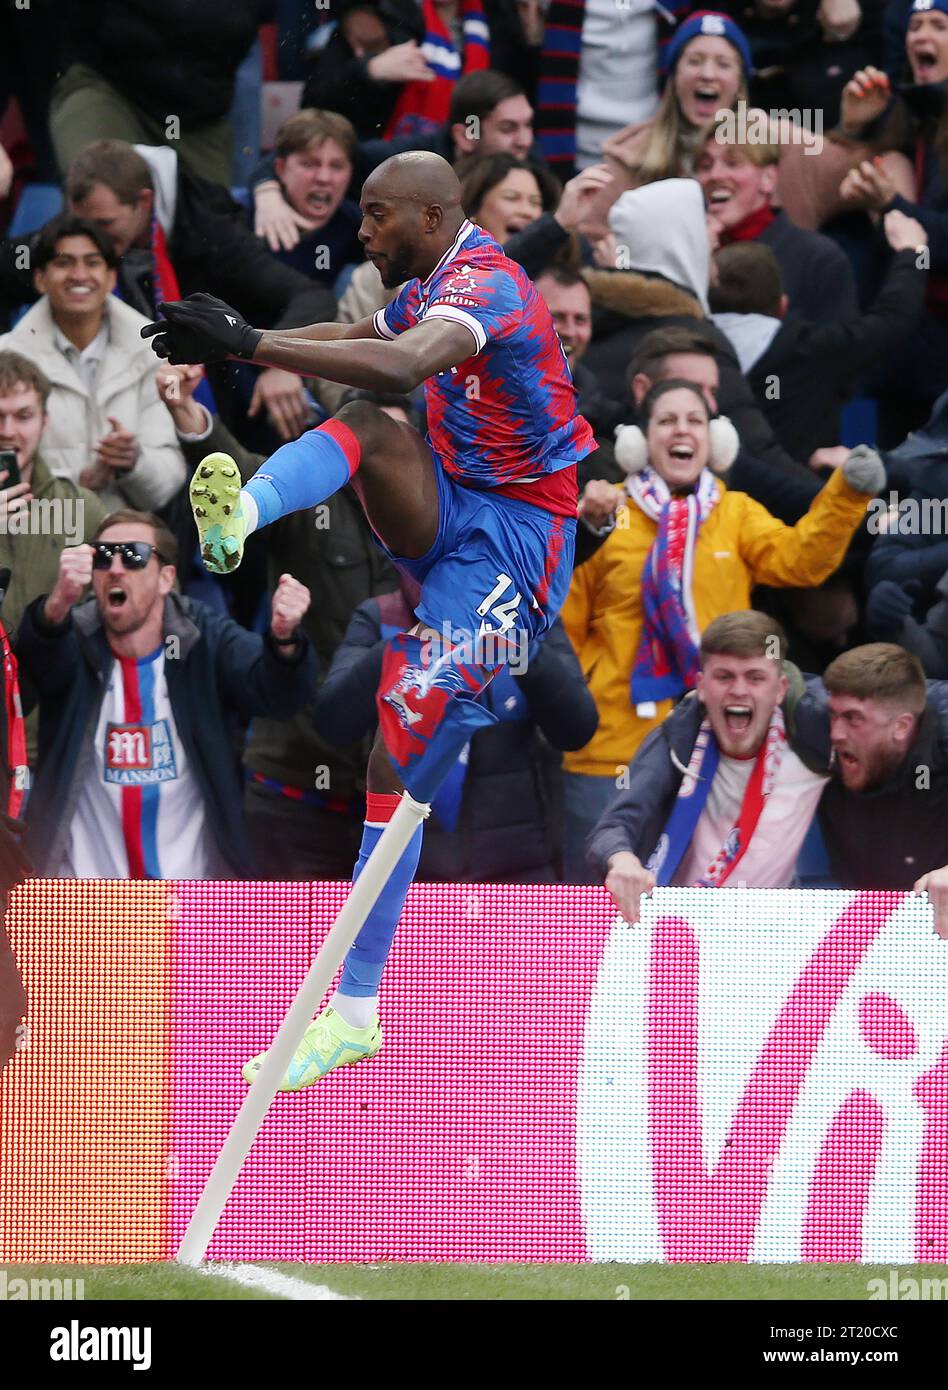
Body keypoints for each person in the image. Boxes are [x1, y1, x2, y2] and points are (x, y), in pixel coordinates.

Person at [143, 149, 595, 1089]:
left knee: (396, 739)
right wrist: (232, 346)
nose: (360, 232)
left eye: (377, 216)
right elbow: (361, 333)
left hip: (519, 555)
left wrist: (254, 341)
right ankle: (241, 516)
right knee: (374, 426)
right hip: (456, 511)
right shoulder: (433, 272)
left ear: (430, 219)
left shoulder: (490, 288)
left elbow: (399, 361)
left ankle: (356, 1008)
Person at [559, 377, 882, 880]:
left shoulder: (736, 512)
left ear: (716, 442)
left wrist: (845, 496)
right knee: (599, 902)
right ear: (640, 442)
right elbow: (565, 627)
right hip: (609, 749)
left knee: (704, 906)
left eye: (694, 421)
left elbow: (801, 562)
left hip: (716, 745)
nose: (680, 431)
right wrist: (576, 713)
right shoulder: (606, 512)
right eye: (666, 420)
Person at [158, 368, 403, 881]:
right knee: (281, 959)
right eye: (371, 450)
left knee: (389, 959)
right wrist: (191, 418)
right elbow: (240, 483)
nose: (386, 465)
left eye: (399, 450)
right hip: (294, 787)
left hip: (397, 796)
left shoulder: (436, 522)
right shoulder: (309, 498)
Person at [15, 510, 317, 879]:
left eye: (134, 555)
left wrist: (285, 639)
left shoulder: (202, 636)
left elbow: (278, 695)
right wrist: (56, 604)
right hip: (83, 904)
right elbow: (25, 680)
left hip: (189, 902)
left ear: (166, 578)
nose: (116, 568)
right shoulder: (71, 634)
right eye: (102, 556)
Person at [314, 577, 598, 882]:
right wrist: (404, 654)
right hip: (408, 866)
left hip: (516, 863)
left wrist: (523, 651)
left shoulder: (531, 620)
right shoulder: (382, 617)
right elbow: (332, 723)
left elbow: (577, 730)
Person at [588, 611, 829, 922]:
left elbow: (895, 756)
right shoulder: (678, 738)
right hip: (679, 925)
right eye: (724, 676)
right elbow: (612, 826)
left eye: (755, 677)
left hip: (776, 928)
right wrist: (622, 861)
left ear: (780, 689)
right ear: (702, 685)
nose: (739, 690)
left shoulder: (817, 736)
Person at [0, 214, 186, 511]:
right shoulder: (6, 356)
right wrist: (71, 491)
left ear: (111, 277)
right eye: (64, 263)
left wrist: (131, 462)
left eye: (92, 262)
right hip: (32, 534)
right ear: (40, 279)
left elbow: (166, 482)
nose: (79, 274)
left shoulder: (152, 355)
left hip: (121, 546)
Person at [708, 212, 928, 461]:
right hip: (801, 493)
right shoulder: (814, 349)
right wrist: (916, 252)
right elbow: (894, 318)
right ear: (782, 306)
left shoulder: (691, 348)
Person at [48, 0, 264, 186]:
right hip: (110, 87)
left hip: (197, 110)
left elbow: (243, 22)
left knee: (209, 216)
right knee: (101, 185)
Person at [696, 115, 859, 325]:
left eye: (732, 163)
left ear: (768, 179)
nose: (714, 175)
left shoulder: (817, 259)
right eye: (705, 165)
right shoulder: (687, 256)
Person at [0, 350, 107, 637]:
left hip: (54, 674)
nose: (7, 431)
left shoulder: (82, 508)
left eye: (23, 416)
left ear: (44, 422)